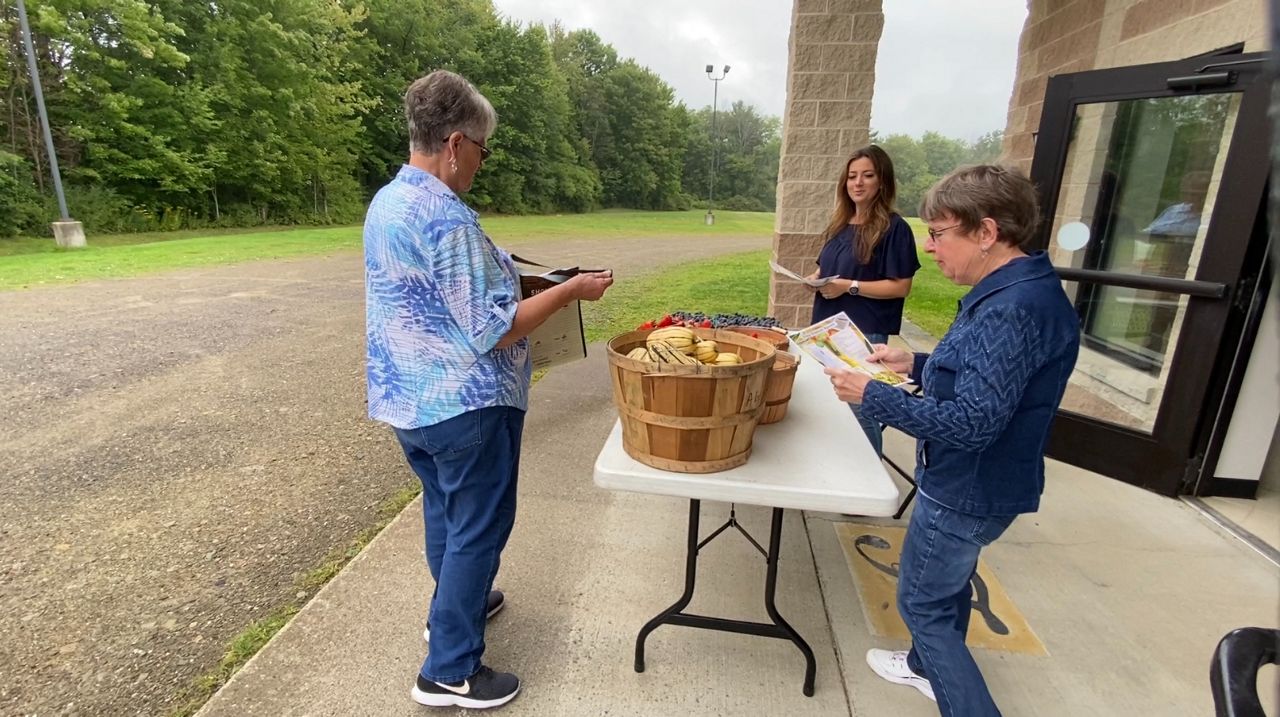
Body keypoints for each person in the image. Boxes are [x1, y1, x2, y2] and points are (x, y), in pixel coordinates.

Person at [363, 69, 613, 710]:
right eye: (480, 148)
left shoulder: (389, 201)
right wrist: (570, 291)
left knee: (445, 515)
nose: (480, 162)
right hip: (466, 405)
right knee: (478, 528)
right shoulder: (446, 219)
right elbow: (494, 331)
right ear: (453, 143)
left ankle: (454, 606)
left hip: (410, 404)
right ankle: (449, 671)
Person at [824, 165, 1080, 716]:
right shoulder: (1021, 290)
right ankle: (921, 667)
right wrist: (915, 361)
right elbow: (988, 377)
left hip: (967, 486)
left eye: (939, 233)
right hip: (984, 483)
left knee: (923, 604)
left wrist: (873, 394)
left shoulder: (1012, 309)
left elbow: (972, 423)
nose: (931, 248)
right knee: (949, 580)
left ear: (986, 233)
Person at [807, 145, 920, 456]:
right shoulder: (840, 225)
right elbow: (826, 268)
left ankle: (869, 489)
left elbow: (901, 286)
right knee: (831, 408)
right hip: (826, 331)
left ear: (881, 182)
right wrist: (813, 279)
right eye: (852, 176)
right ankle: (840, 472)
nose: (858, 183)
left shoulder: (894, 229)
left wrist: (850, 287)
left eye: (867, 176)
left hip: (863, 334)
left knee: (861, 412)